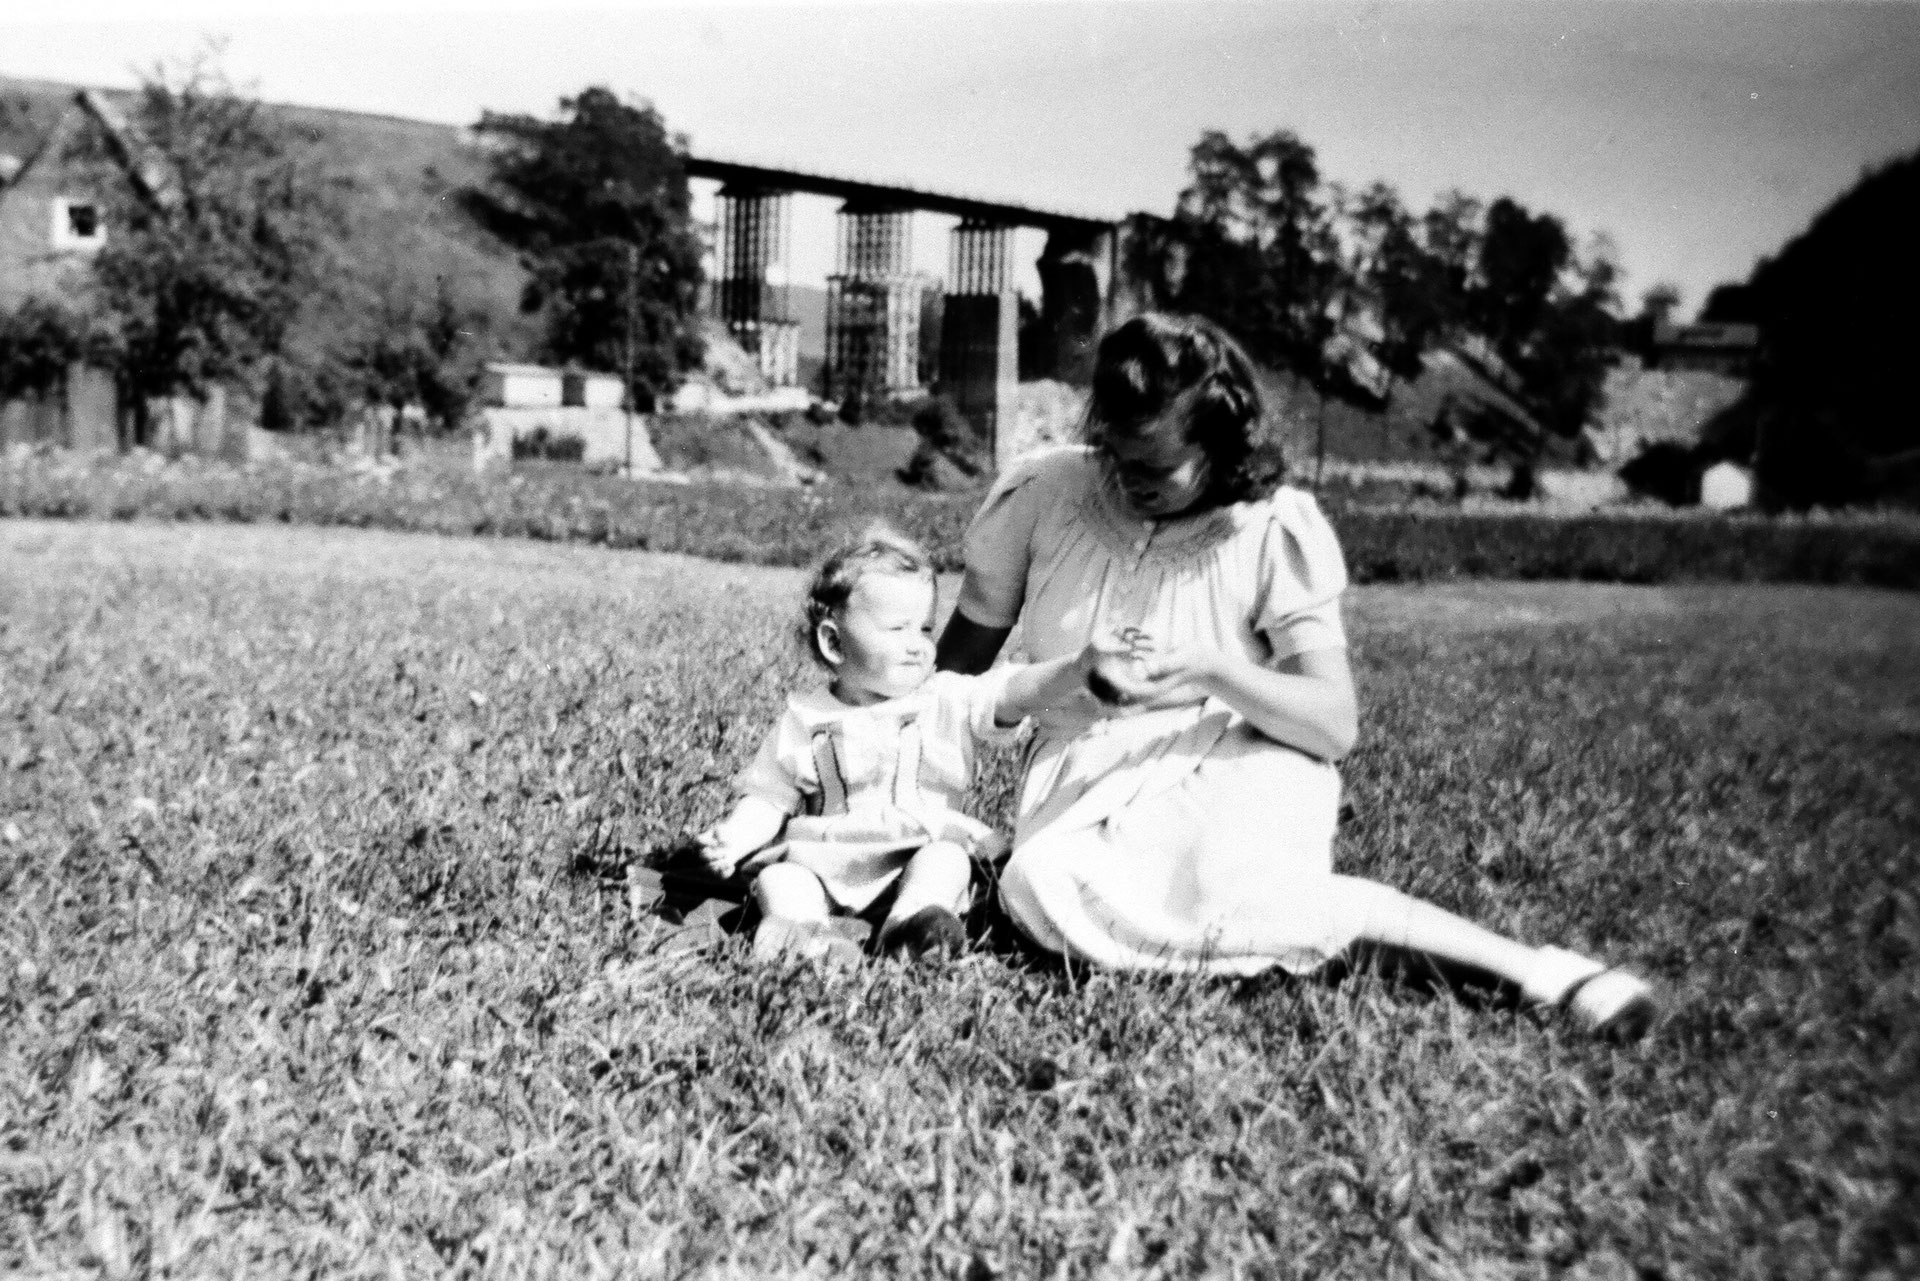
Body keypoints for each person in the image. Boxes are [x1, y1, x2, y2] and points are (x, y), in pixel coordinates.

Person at [936, 312, 1657, 1037]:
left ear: (1219, 444)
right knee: (1042, 882)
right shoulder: (1043, 491)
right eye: (1114, 454)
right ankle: (1278, 941)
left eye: (1155, 467)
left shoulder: (1272, 523)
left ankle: (1541, 973)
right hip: (1081, 781)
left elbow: (1331, 722)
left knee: (1230, 887)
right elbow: (950, 675)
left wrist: (1212, 667)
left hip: (1228, 763)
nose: (1127, 482)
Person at [695, 528, 1116, 966]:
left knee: (947, 859)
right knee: (781, 877)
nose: (919, 645)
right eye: (898, 629)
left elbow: (1010, 692)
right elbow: (768, 795)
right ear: (834, 642)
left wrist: (1076, 669)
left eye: (926, 628)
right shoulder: (804, 718)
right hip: (826, 856)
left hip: (916, 848)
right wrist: (736, 837)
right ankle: (804, 936)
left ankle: (912, 926)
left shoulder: (943, 698)